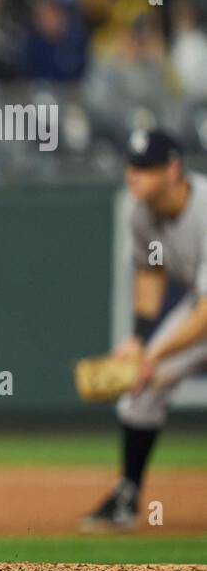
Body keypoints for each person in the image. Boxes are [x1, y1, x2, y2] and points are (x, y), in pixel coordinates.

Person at [81, 129, 207, 531]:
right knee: (142, 390)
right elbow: (150, 271)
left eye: (144, 167)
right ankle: (127, 497)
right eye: (130, 166)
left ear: (173, 169)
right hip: (198, 306)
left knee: (145, 370)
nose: (133, 175)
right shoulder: (139, 211)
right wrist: (139, 338)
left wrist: (150, 357)